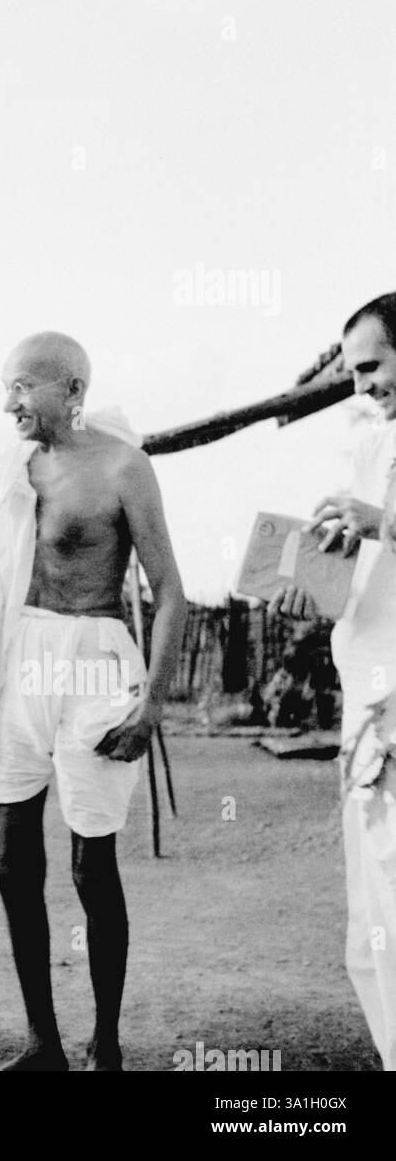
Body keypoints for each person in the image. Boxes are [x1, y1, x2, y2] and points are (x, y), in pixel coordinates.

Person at [0, 331, 185, 1071]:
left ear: (69, 391)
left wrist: (152, 707)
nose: (8, 402)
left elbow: (170, 591)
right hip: (22, 654)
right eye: (5, 387)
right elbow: (17, 580)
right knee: (11, 860)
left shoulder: (120, 466)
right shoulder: (15, 469)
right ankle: (42, 1042)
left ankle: (103, 1042)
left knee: (89, 863)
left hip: (96, 662)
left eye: (21, 386)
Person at [269, 291, 396, 1071]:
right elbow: (352, 573)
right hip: (368, 684)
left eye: (373, 367)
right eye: (353, 374)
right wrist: (301, 583)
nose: (364, 387)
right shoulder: (369, 444)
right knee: (371, 905)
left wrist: (381, 518)